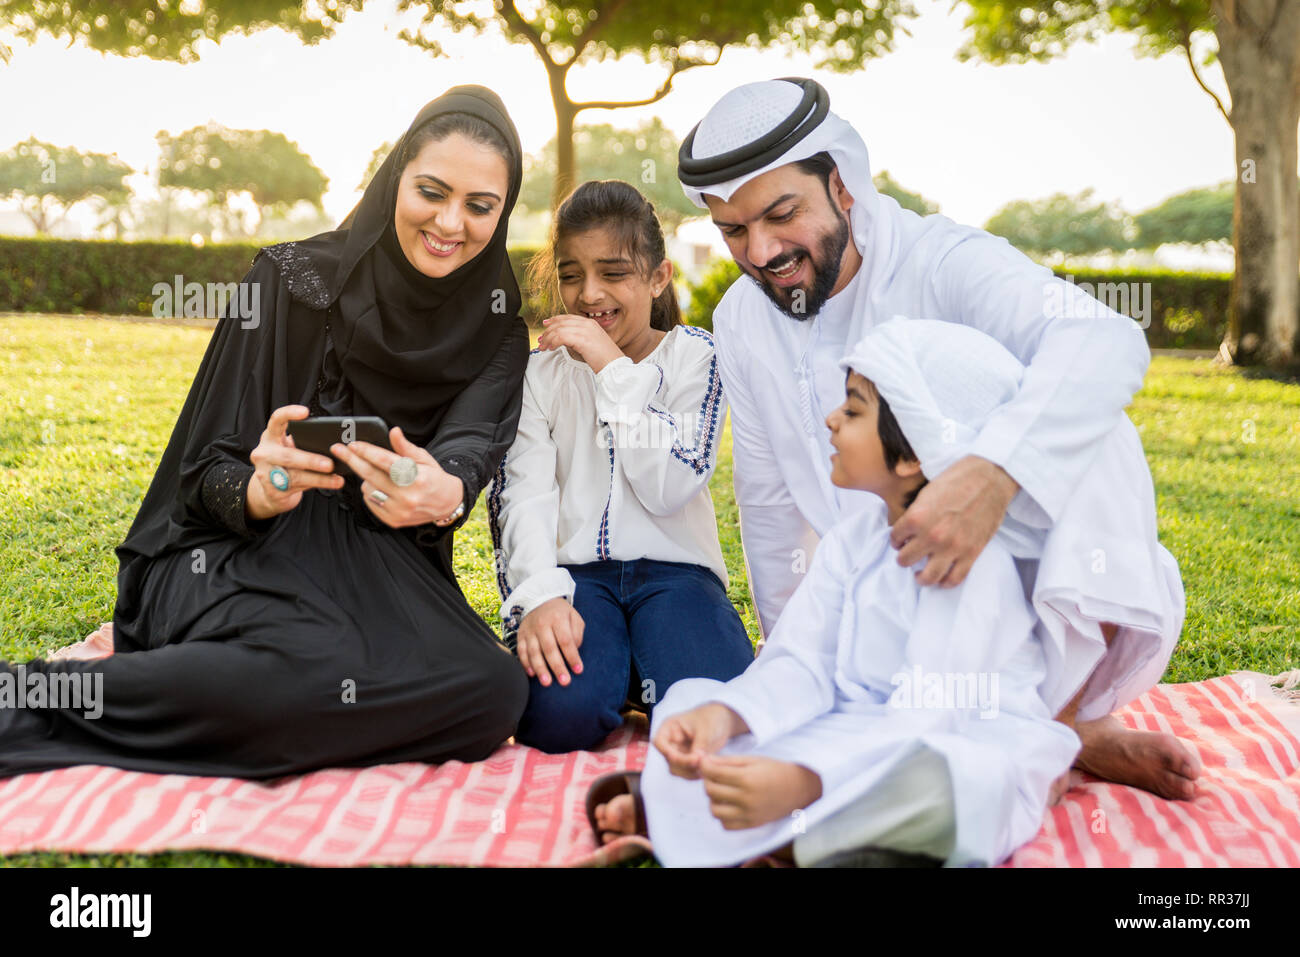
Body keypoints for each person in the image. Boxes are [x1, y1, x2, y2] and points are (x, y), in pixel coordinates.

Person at [668, 76, 1200, 799]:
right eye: (733, 231)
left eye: (781, 214)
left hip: (1011, 579)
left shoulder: (944, 260)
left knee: (1102, 437)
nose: (761, 251)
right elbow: (768, 505)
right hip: (870, 596)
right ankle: (1047, 739)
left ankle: (1065, 718)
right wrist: (792, 663)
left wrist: (993, 473)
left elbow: (1102, 340)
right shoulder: (740, 319)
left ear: (843, 187)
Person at [0, 86, 531, 779]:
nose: (450, 221)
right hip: (229, 552)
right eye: (432, 191)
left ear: (504, 210)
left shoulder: (497, 332)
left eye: (480, 205)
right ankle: (33, 699)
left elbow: (466, 452)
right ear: (394, 177)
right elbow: (200, 472)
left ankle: (248, 695)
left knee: (491, 691)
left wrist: (443, 491)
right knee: (307, 662)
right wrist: (260, 486)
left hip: (376, 569)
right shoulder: (288, 283)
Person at [594, 318, 1187, 867]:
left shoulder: (974, 566)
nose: (831, 421)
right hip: (856, 727)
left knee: (950, 786)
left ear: (912, 451)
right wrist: (727, 718)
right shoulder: (854, 542)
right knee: (695, 703)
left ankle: (766, 830)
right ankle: (768, 829)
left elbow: (933, 713)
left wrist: (805, 780)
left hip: (949, 736)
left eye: (853, 411)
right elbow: (801, 661)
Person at [487, 180, 755, 754]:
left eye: (613, 273)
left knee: (716, 719)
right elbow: (523, 495)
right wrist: (539, 597)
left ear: (658, 277)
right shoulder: (543, 374)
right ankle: (621, 667)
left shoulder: (697, 357)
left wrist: (611, 368)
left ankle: (644, 662)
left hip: (678, 577)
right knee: (557, 720)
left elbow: (669, 486)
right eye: (571, 274)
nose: (589, 294)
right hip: (578, 580)